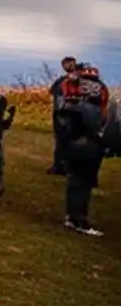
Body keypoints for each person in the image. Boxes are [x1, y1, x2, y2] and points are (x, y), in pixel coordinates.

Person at [57, 64, 109, 237]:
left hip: (71, 147)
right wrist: (104, 140)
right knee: (83, 184)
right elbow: (95, 131)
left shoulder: (69, 105)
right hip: (85, 149)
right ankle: (79, 220)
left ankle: (71, 217)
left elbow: (62, 129)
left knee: (75, 183)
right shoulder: (90, 109)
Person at [48, 56, 77, 176]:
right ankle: (58, 166)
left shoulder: (80, 79)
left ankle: (68, 167)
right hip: (59, 112)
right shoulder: (61, 80)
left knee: (69, 140)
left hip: (72, 113)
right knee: (60, 139)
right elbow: (52, 91)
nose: (69, 66)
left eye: (71, 63)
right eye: (66, 64)